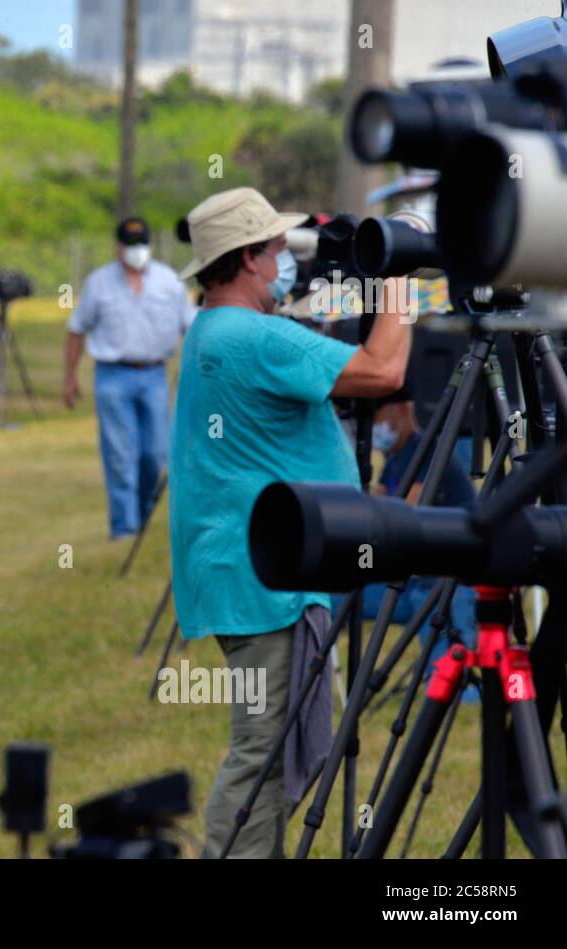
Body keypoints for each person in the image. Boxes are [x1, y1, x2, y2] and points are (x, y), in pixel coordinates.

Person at [169, 187, 413, 858]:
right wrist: (402, 282)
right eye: (277, 249)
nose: (287, 261)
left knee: (265, 746)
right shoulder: (250, 335)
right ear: (249, 258)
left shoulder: (215, 329)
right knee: (263, 751)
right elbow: (384, 368)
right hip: (262, 579)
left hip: (245, 569)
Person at [64, 216, 197, 539]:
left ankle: (145, 518)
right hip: (113, 376)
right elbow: (76, 329)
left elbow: (191, 328)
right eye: (130, 244)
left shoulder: (170, 281)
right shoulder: (100, 282)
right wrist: (69, 377)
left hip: (154, 375)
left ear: (150, 245)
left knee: (154, 454)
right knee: (121, 454)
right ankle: (125, 527)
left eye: (142, 244)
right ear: (118, 246)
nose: (137, 250)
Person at [332, 386, 478, 678]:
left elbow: (408, 511)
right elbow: (378, 498)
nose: (372, 425)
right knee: (333, 595)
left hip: (450, 581)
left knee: (448, 678)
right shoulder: (396, 457)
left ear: (403, 408)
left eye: (376, 415)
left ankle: (461, 690)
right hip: (414, 578)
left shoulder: (426, 450)